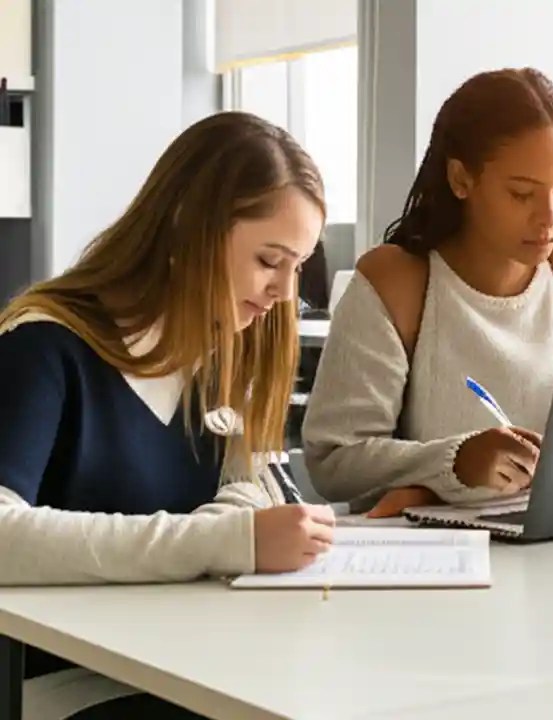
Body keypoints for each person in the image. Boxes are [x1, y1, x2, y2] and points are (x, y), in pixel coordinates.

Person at [0, 111, 336, 718]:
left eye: (298, 266)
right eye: (269, 260)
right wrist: (225, 540)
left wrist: (241, 530)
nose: (285, 292)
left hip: (195, 665)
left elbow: (249, 495)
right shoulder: (44, 346)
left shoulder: (228, 349)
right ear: (189, 230)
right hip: (70, 685)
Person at [302, 68, 553, 517]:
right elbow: (333, 463)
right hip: (441, 561)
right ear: (461, 180)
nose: (549, 218)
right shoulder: (396, 283)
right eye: (522, 194)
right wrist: (453, 462)